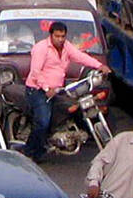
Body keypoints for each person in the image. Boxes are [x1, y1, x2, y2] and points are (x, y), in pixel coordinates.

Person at [21, 20, 110, 162]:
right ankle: (31, 152)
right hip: (38, 90)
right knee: (43, 121)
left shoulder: (67, 47)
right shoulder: (41, 48)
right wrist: (46, 88)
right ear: (51, 35)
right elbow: (35, 72)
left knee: (67, 111)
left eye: (63, 36)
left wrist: (99, 65)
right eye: (57, 36)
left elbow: (80, 57)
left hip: (57, 90)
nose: (60, 39)